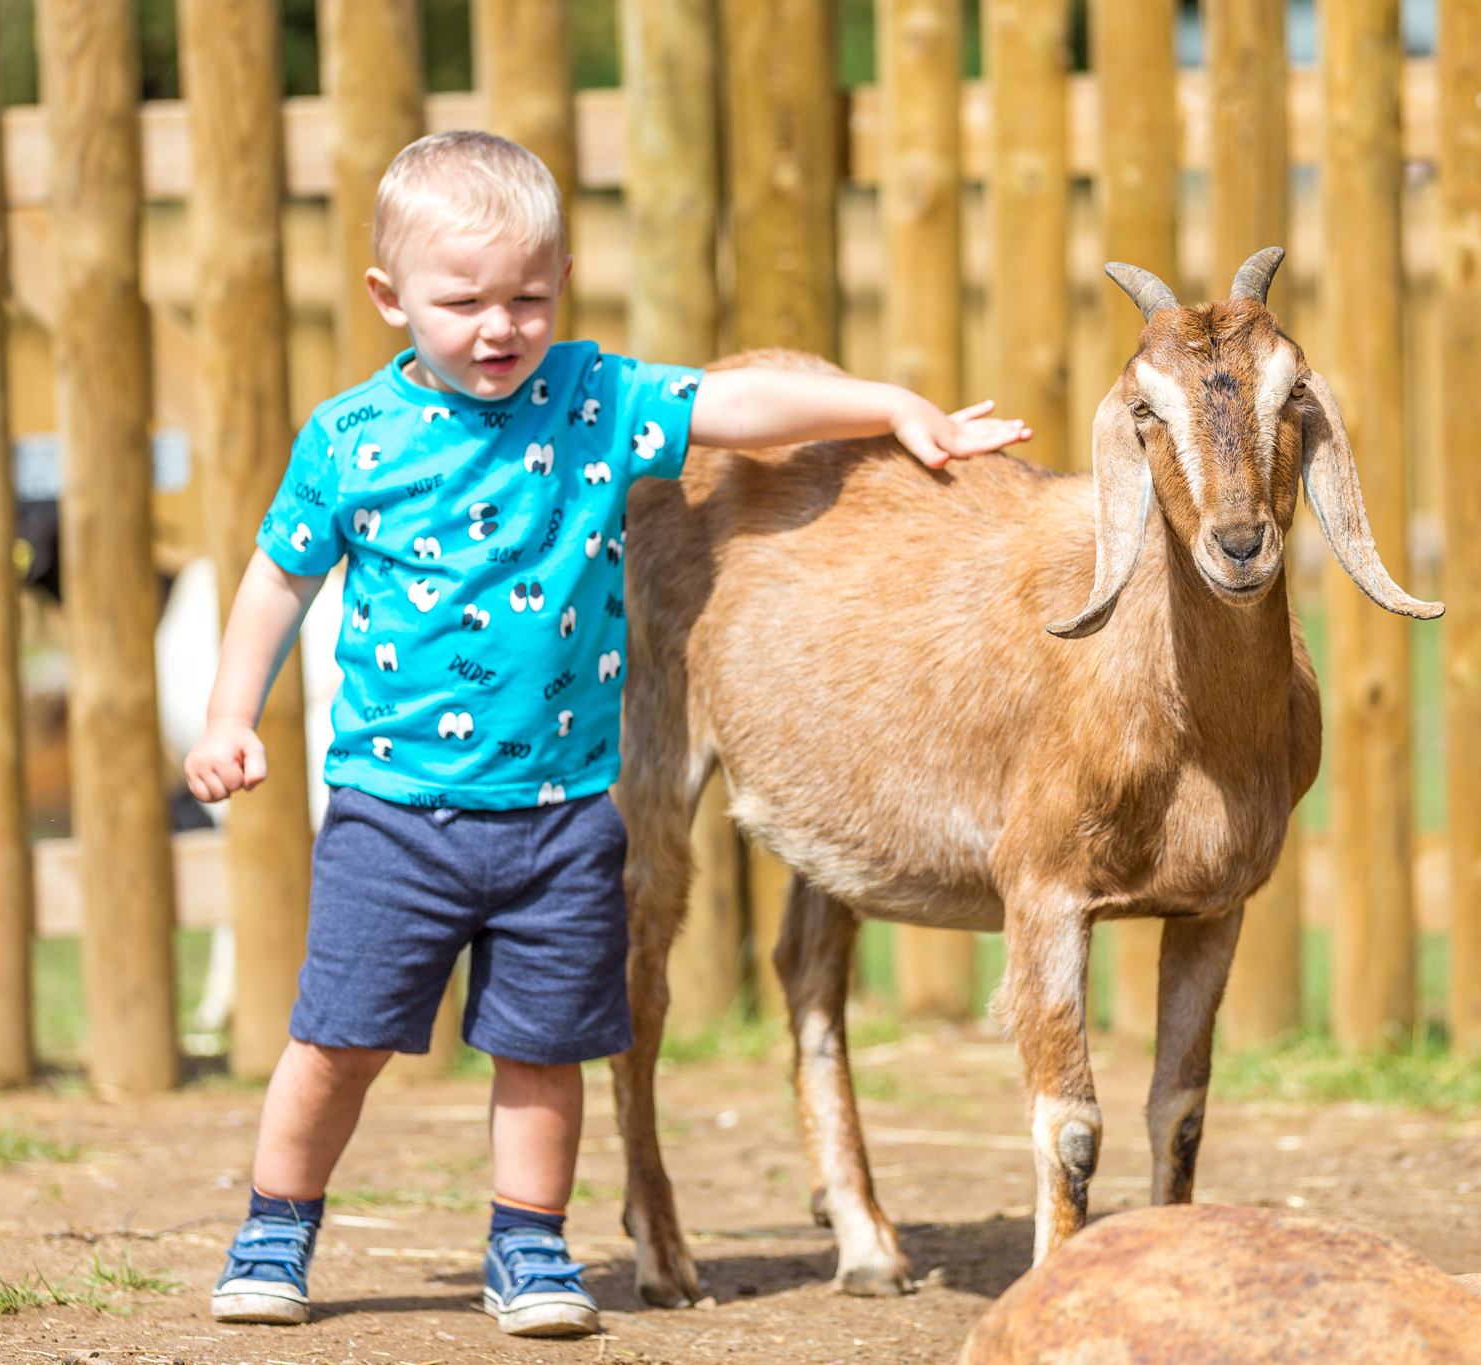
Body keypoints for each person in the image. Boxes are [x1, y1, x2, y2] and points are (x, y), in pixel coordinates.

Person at [184, 129, 1030, 1339]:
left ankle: (528, 1245)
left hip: (562, 817)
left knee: (545, 1051)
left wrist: (891, 406)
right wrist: (228, 713)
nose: (498, 327)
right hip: (392, 812)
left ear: (563, 283)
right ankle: (277, 1221)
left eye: (527, 296)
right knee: (337, 1042)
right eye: (462, 300)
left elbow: (735, 404)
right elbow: (276, 580)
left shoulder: (591, 403)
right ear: (389, 299)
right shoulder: (349, 440)